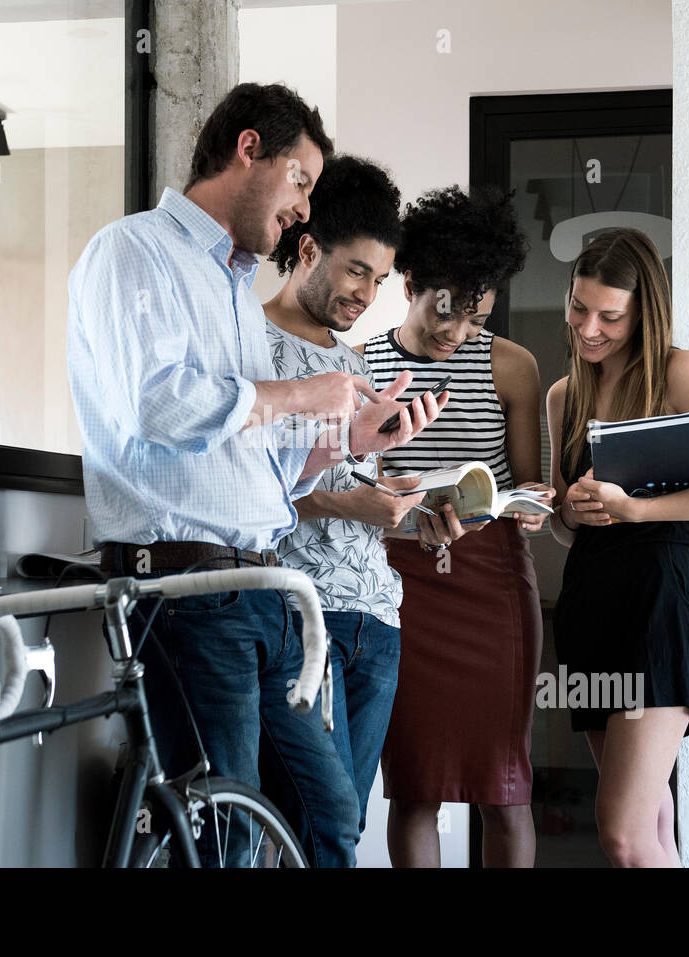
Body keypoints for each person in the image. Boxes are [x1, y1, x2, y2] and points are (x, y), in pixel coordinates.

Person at [65, 83, 448, 867]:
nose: (304, 210)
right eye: (300, 180)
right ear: (248, 150)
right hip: (185, 594)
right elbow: (156, 406)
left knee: (330, 816)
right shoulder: (131, 251)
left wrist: (344, 437)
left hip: (265, 590)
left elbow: (262, 467)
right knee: (227, 832)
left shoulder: (235, 287)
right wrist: (303, 392)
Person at [545, 227, 689, 867]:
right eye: (579, 308)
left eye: (610, 317)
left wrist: (637, 509)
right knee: (654, 824)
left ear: (644, 313)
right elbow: (566, 525)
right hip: (589, 609)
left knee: (622, 832)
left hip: (658, 610)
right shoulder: (565, 395)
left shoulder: (678, 372)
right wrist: (569, 510)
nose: (589, 328)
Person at [360, 185, 553, 867]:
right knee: (416, 787)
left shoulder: (512, 367)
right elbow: (348, 486)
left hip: (492, 585)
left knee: (506, 789)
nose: (460, 332)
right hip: (399, 588)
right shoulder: (360, 367)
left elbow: (532, 487)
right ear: (410, 282)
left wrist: (519, 505)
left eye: (476, 319)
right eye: (450, 314)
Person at [262, 154, 427, 845]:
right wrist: (350, 506)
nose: (367, 293)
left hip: (376, 622)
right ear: (308, 248)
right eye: (357, 269)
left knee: (343, 830)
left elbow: (358, 488)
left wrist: (416, 511)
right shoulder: (253, 351)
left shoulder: (358, 365)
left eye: (380, 279)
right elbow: (242, 494)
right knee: (303, 825)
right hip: (300, 617)